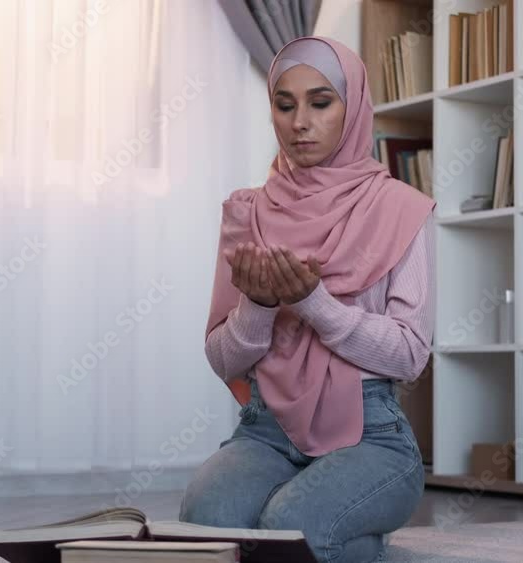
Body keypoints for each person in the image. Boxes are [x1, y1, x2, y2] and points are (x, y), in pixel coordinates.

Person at [178, 35, 437, 563]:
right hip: (266, 430)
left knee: (290, 528)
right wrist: (258, 306)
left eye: (321, 103)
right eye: (284, 104)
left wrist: (316, 304)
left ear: (353, 107)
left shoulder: (401, 208)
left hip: (372, 435)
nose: (300, 122)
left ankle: (336, 529)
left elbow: (411, 356)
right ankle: (353, 541)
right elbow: (222, 358)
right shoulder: (245, 211)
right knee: (206, 528)